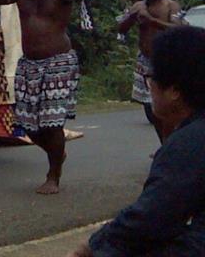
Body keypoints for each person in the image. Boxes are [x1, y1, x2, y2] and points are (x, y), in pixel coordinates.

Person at [66, 25, 205, 257]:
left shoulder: (190, 143)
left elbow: (151, 217)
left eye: (151, 77)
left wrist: (91, 247)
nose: (149, 85)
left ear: (174, 90)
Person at [0, 0, 82, 195]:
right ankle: (57, 153)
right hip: (29, 64)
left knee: (51, 123)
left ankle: (53, 175)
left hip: (58, 62)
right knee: (28, 125)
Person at [118, 0, 185, 143]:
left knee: (167, 107)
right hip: (145, 61)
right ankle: (164, 144)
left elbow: (177, 30)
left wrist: (151, 20)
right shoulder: (138, 6)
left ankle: (170, 143)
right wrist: (132, 17)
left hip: (167, 60)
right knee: (152, 109)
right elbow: (121, 28)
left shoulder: (171, 6)